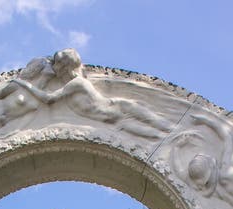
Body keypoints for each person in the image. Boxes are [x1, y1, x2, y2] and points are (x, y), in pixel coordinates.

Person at [11, 48, 172, 141]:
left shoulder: (76, 83)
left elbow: (48, 98)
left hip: (120, 108)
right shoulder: (71, 84)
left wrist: (23, 84)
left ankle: (180, 137)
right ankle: (176, 140)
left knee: (167, 129)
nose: (54, 67)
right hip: (117, 120)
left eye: (57, 63)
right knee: (158, 138)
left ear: (65, 67)